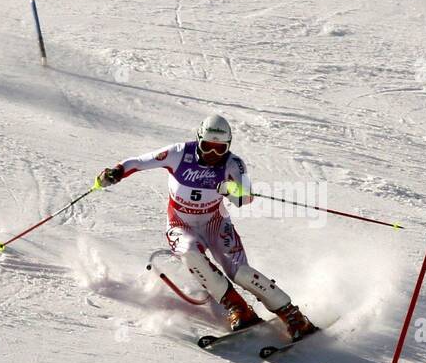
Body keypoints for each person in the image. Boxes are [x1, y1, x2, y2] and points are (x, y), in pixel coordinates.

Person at [96, 114, 316, 337]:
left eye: (219, 149)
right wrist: (117, 172)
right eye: (207, 147)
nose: (213, 154)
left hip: (215, 222)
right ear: (198, 140)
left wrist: (230, 189)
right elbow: (138, 162)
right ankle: (238, 308)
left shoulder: (234, 164)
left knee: (240, 272)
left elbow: (246, 199)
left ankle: (292, 314)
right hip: (181, 223)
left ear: (227, 147)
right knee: (191, 254)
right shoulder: (179, 153)